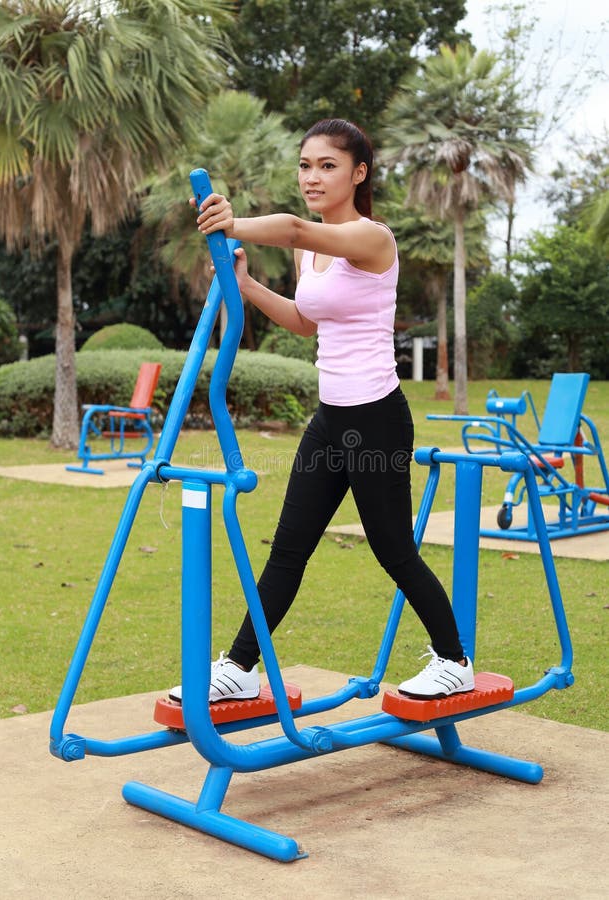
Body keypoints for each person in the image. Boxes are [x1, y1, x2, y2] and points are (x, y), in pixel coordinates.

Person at [170, 118, 474, 704]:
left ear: (358, 174)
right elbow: (307, 322)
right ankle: (240, 667)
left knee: (393, 549)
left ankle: (454, 660)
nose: (312, 176)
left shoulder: (373, 238)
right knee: (289, 548)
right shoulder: (312, 253)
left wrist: (232, 222)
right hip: (331, 420)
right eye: (305, 165)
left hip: (377, 418)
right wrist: (248, 285)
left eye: (327, 166)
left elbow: (290, 227)